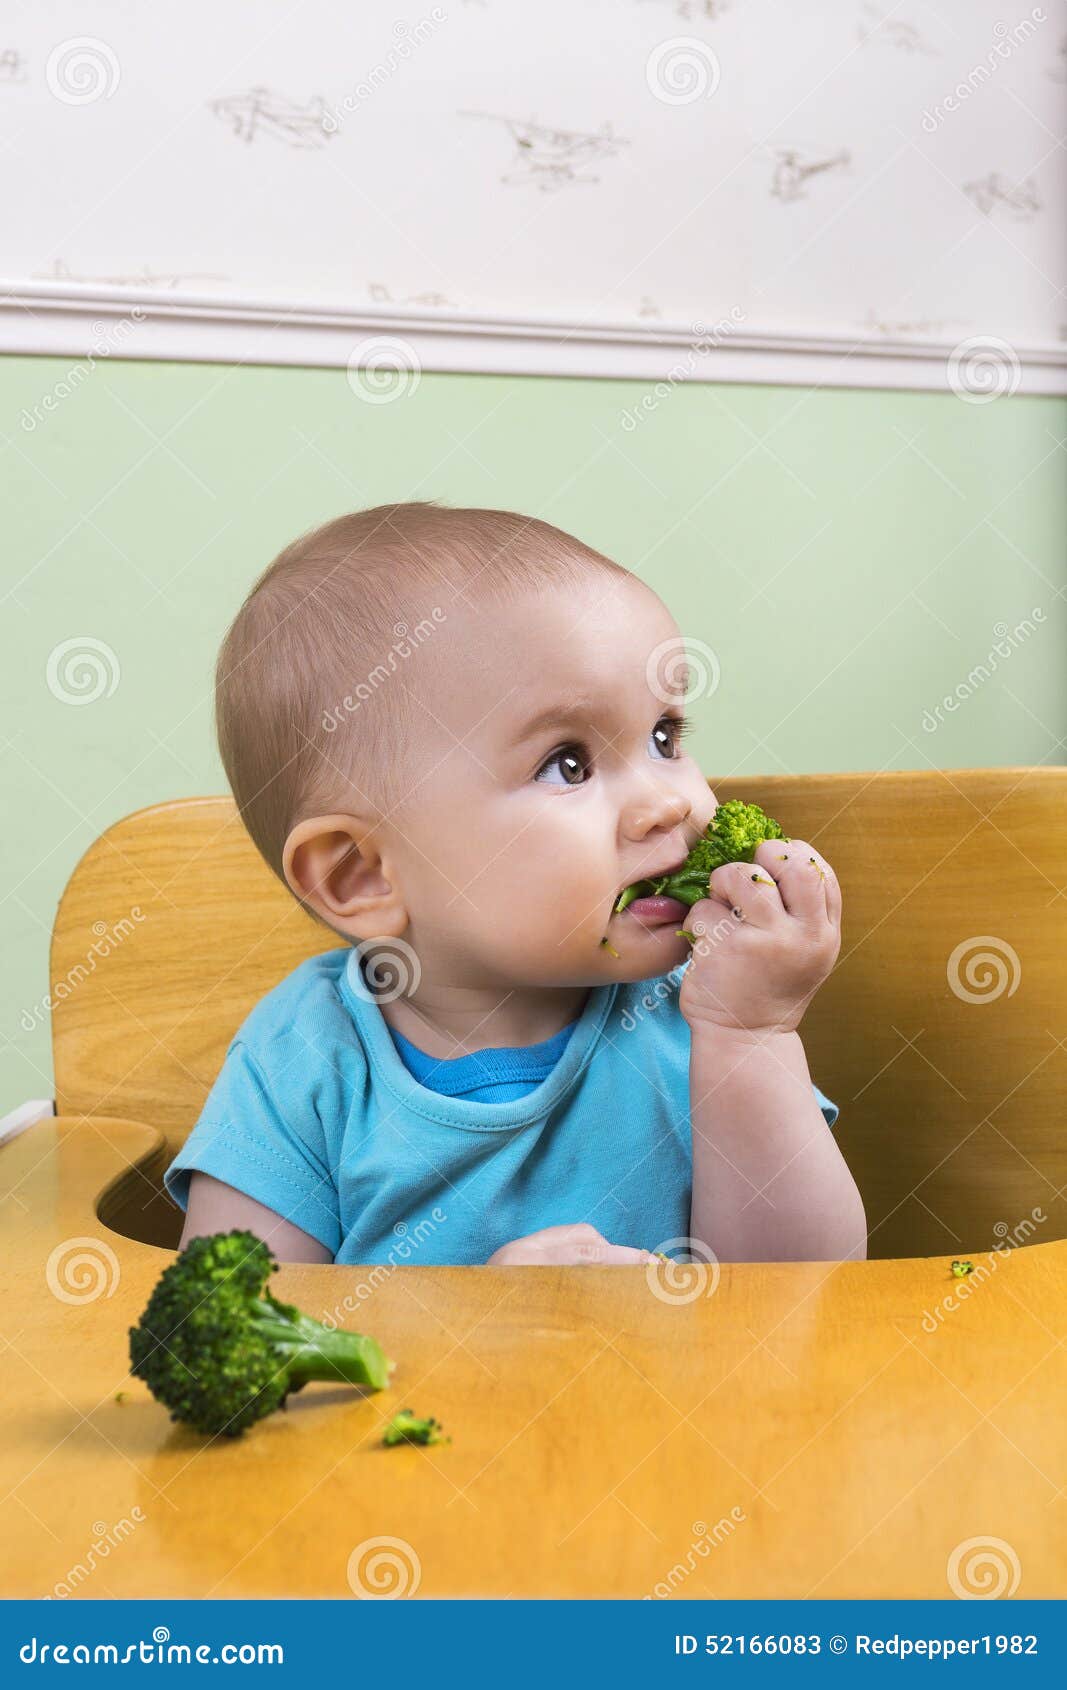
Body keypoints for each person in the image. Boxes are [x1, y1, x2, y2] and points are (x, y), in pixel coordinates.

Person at [164, 501, 866, 1266]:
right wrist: (473, 1336)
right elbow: (237, 1345)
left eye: (665, 736)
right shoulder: (304, 1058)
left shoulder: (704, 1015)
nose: (670, 801)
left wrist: (753, 1038)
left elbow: (803, 1299)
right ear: (360, 874)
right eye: (568, 762)